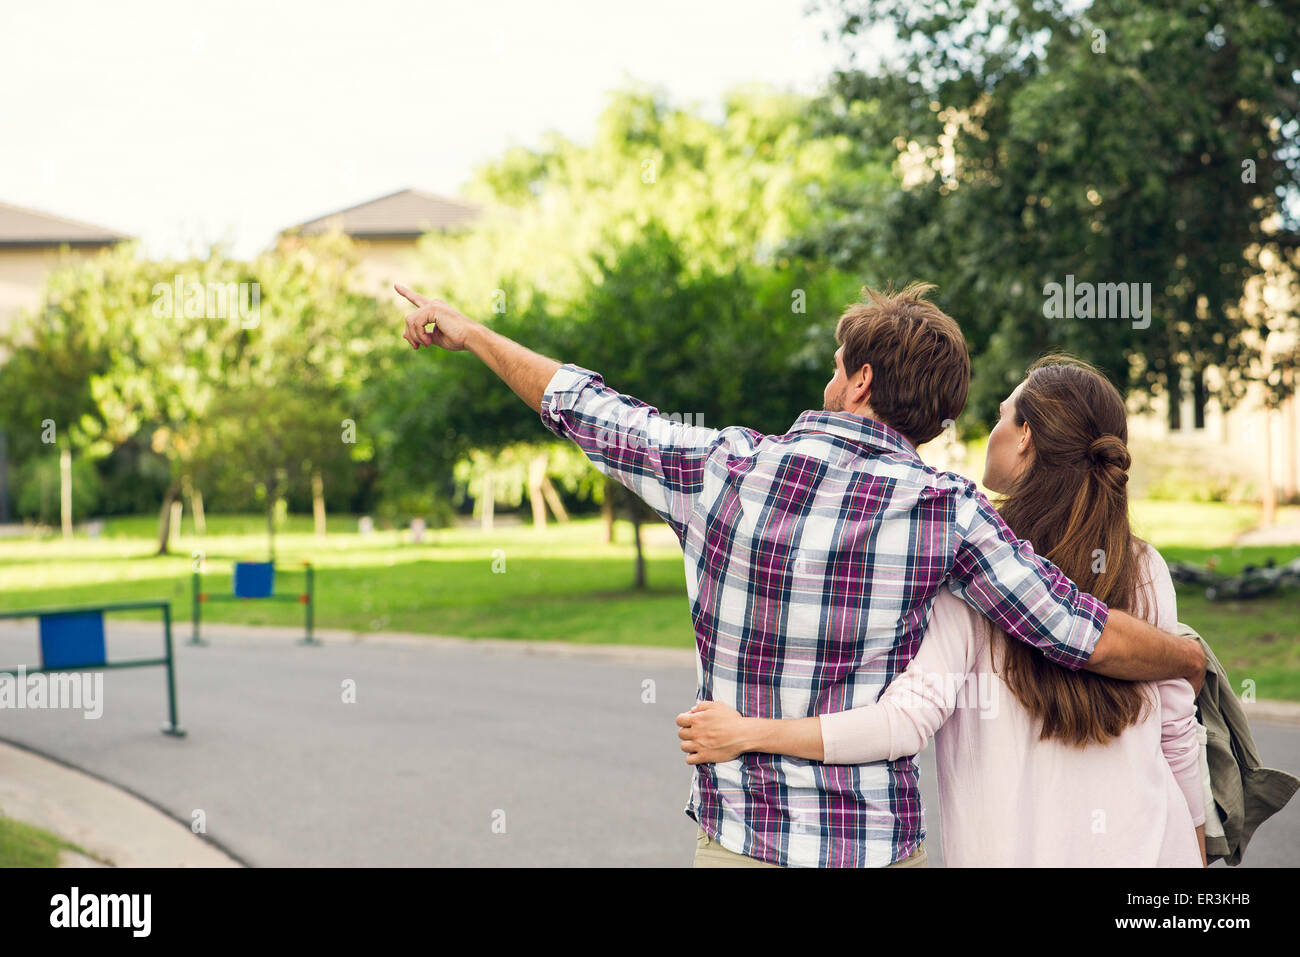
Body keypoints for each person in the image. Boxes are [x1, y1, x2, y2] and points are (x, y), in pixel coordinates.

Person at [395, 281, 1206, 868]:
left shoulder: (724, 469)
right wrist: (1184, 657)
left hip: (745, 840)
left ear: (858, 381)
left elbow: (588, 407)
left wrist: (474, 334)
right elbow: (1075, 630)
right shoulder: (951, 513)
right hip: (878, 849)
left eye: (835, 362)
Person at [676, 356, 1207, 866]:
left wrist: (750, 732)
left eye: (1002, 415)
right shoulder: (1142, 567)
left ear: (1025, 437)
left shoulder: (970, 575)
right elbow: (1180, 736)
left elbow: (902, 723)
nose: (993, 429)